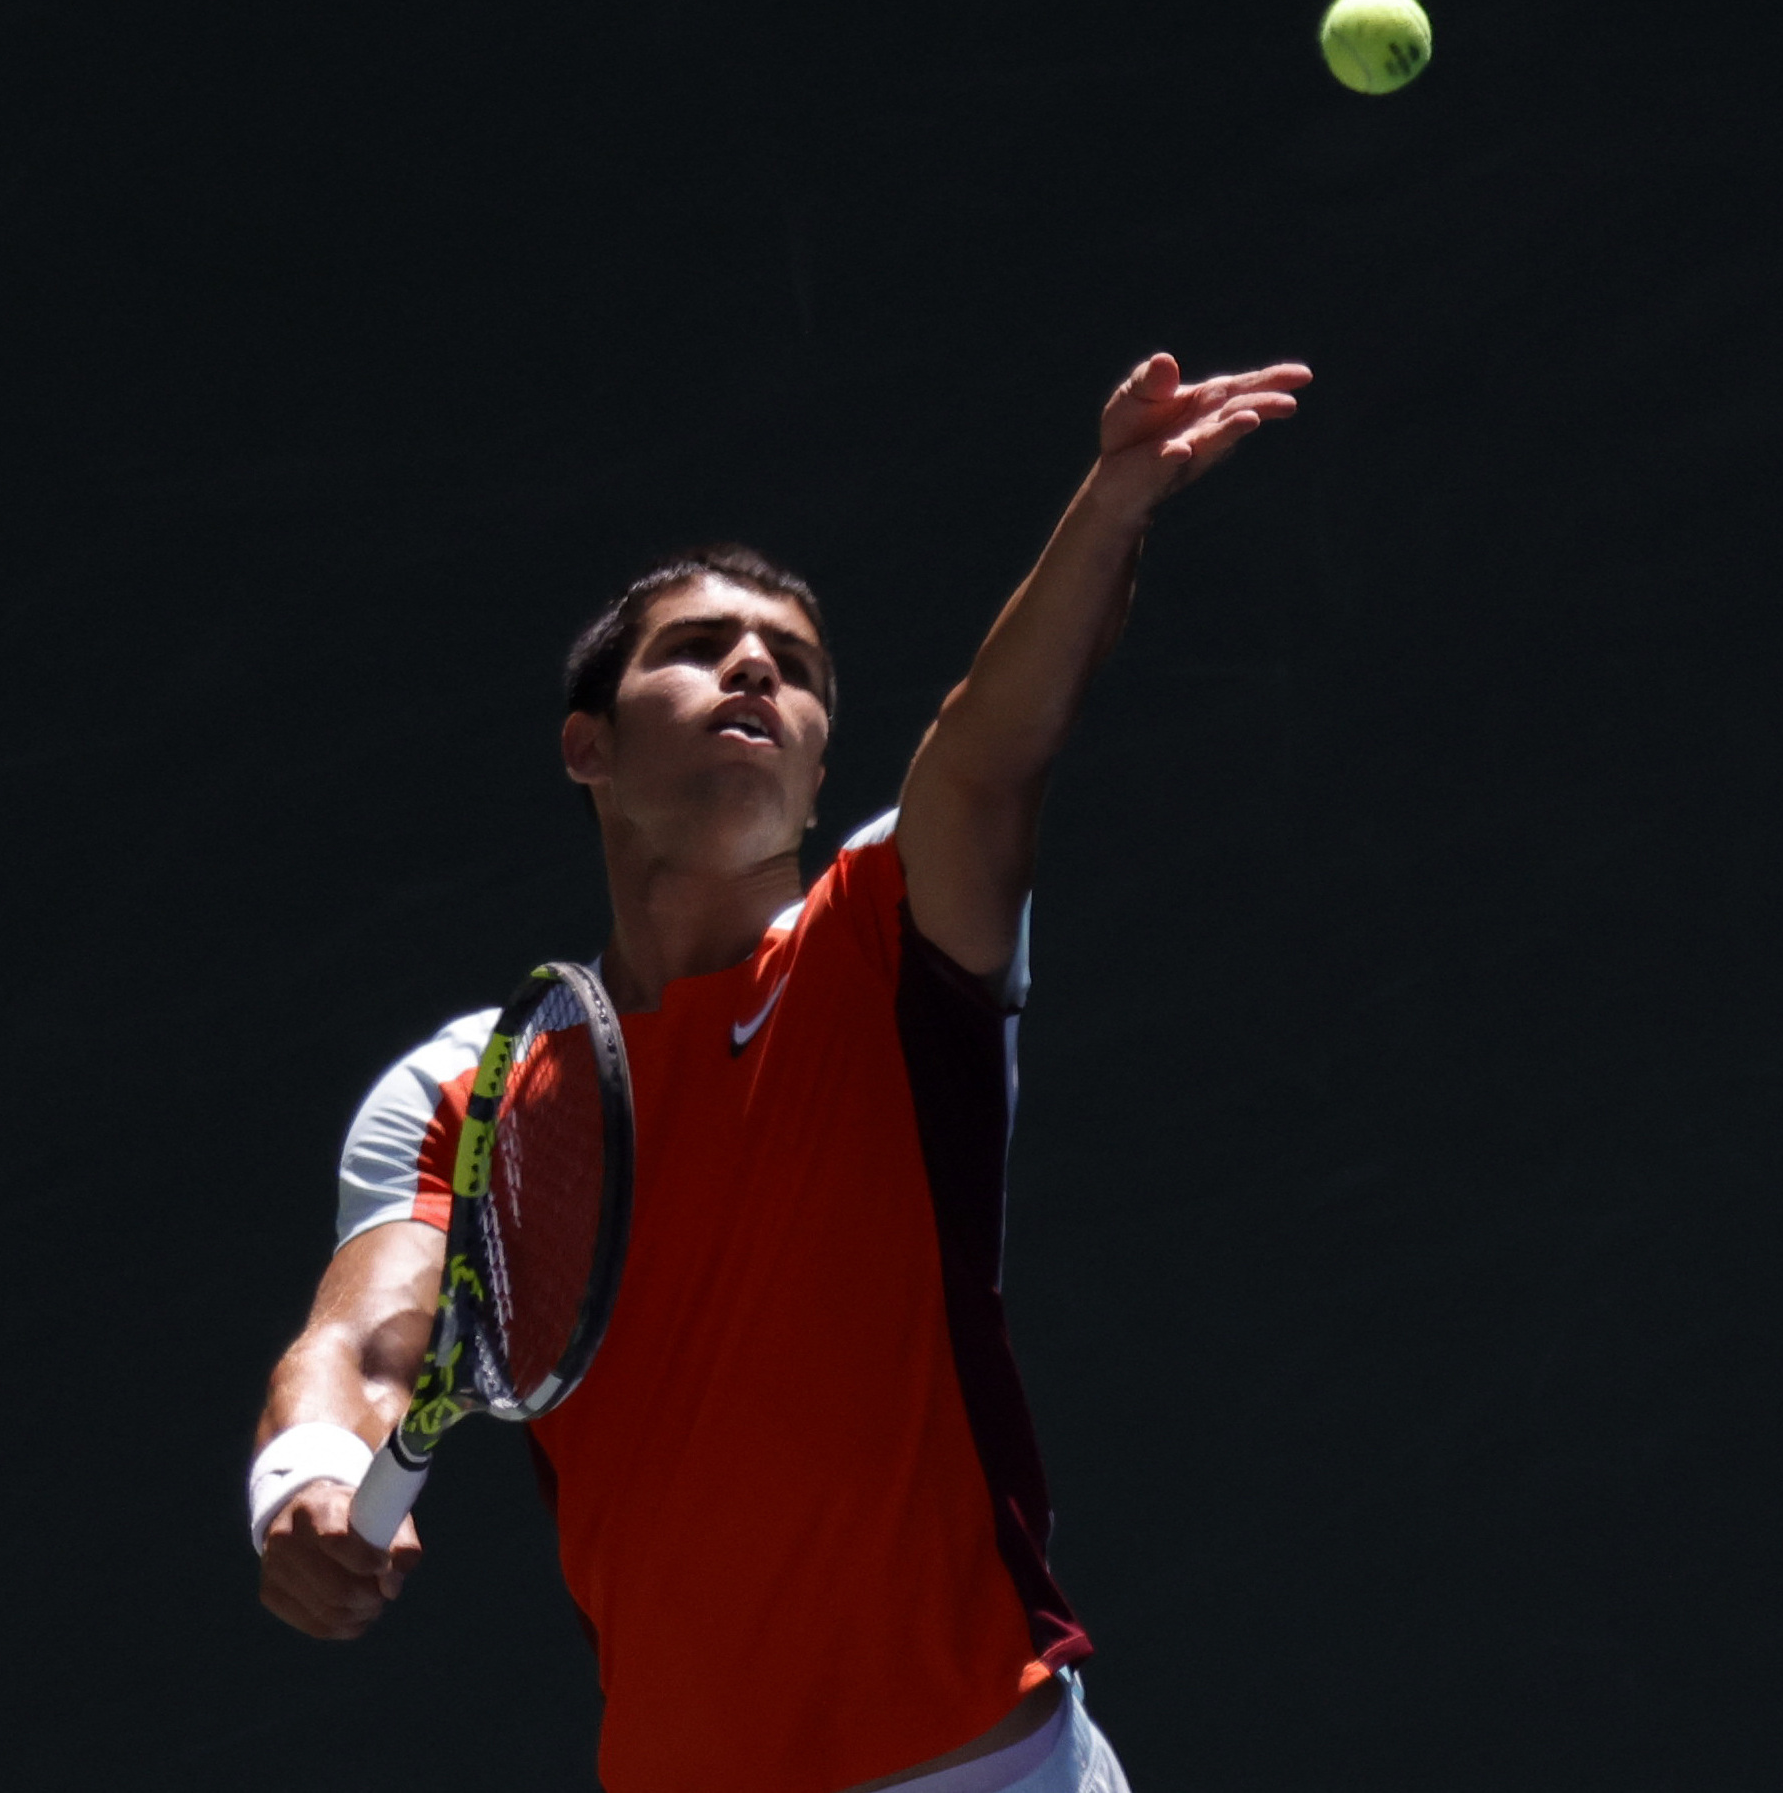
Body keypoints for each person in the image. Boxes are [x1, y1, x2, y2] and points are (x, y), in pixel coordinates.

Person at [245, 353, 1311, 1793]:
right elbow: (367, 1343)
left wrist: (1111, 506)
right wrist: (307, 1473)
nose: (755, 668)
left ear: (817, 776)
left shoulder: (889, 934)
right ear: (588, 748)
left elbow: (992, 748)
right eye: (698, 648)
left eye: (795, 668)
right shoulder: (463, 1089)